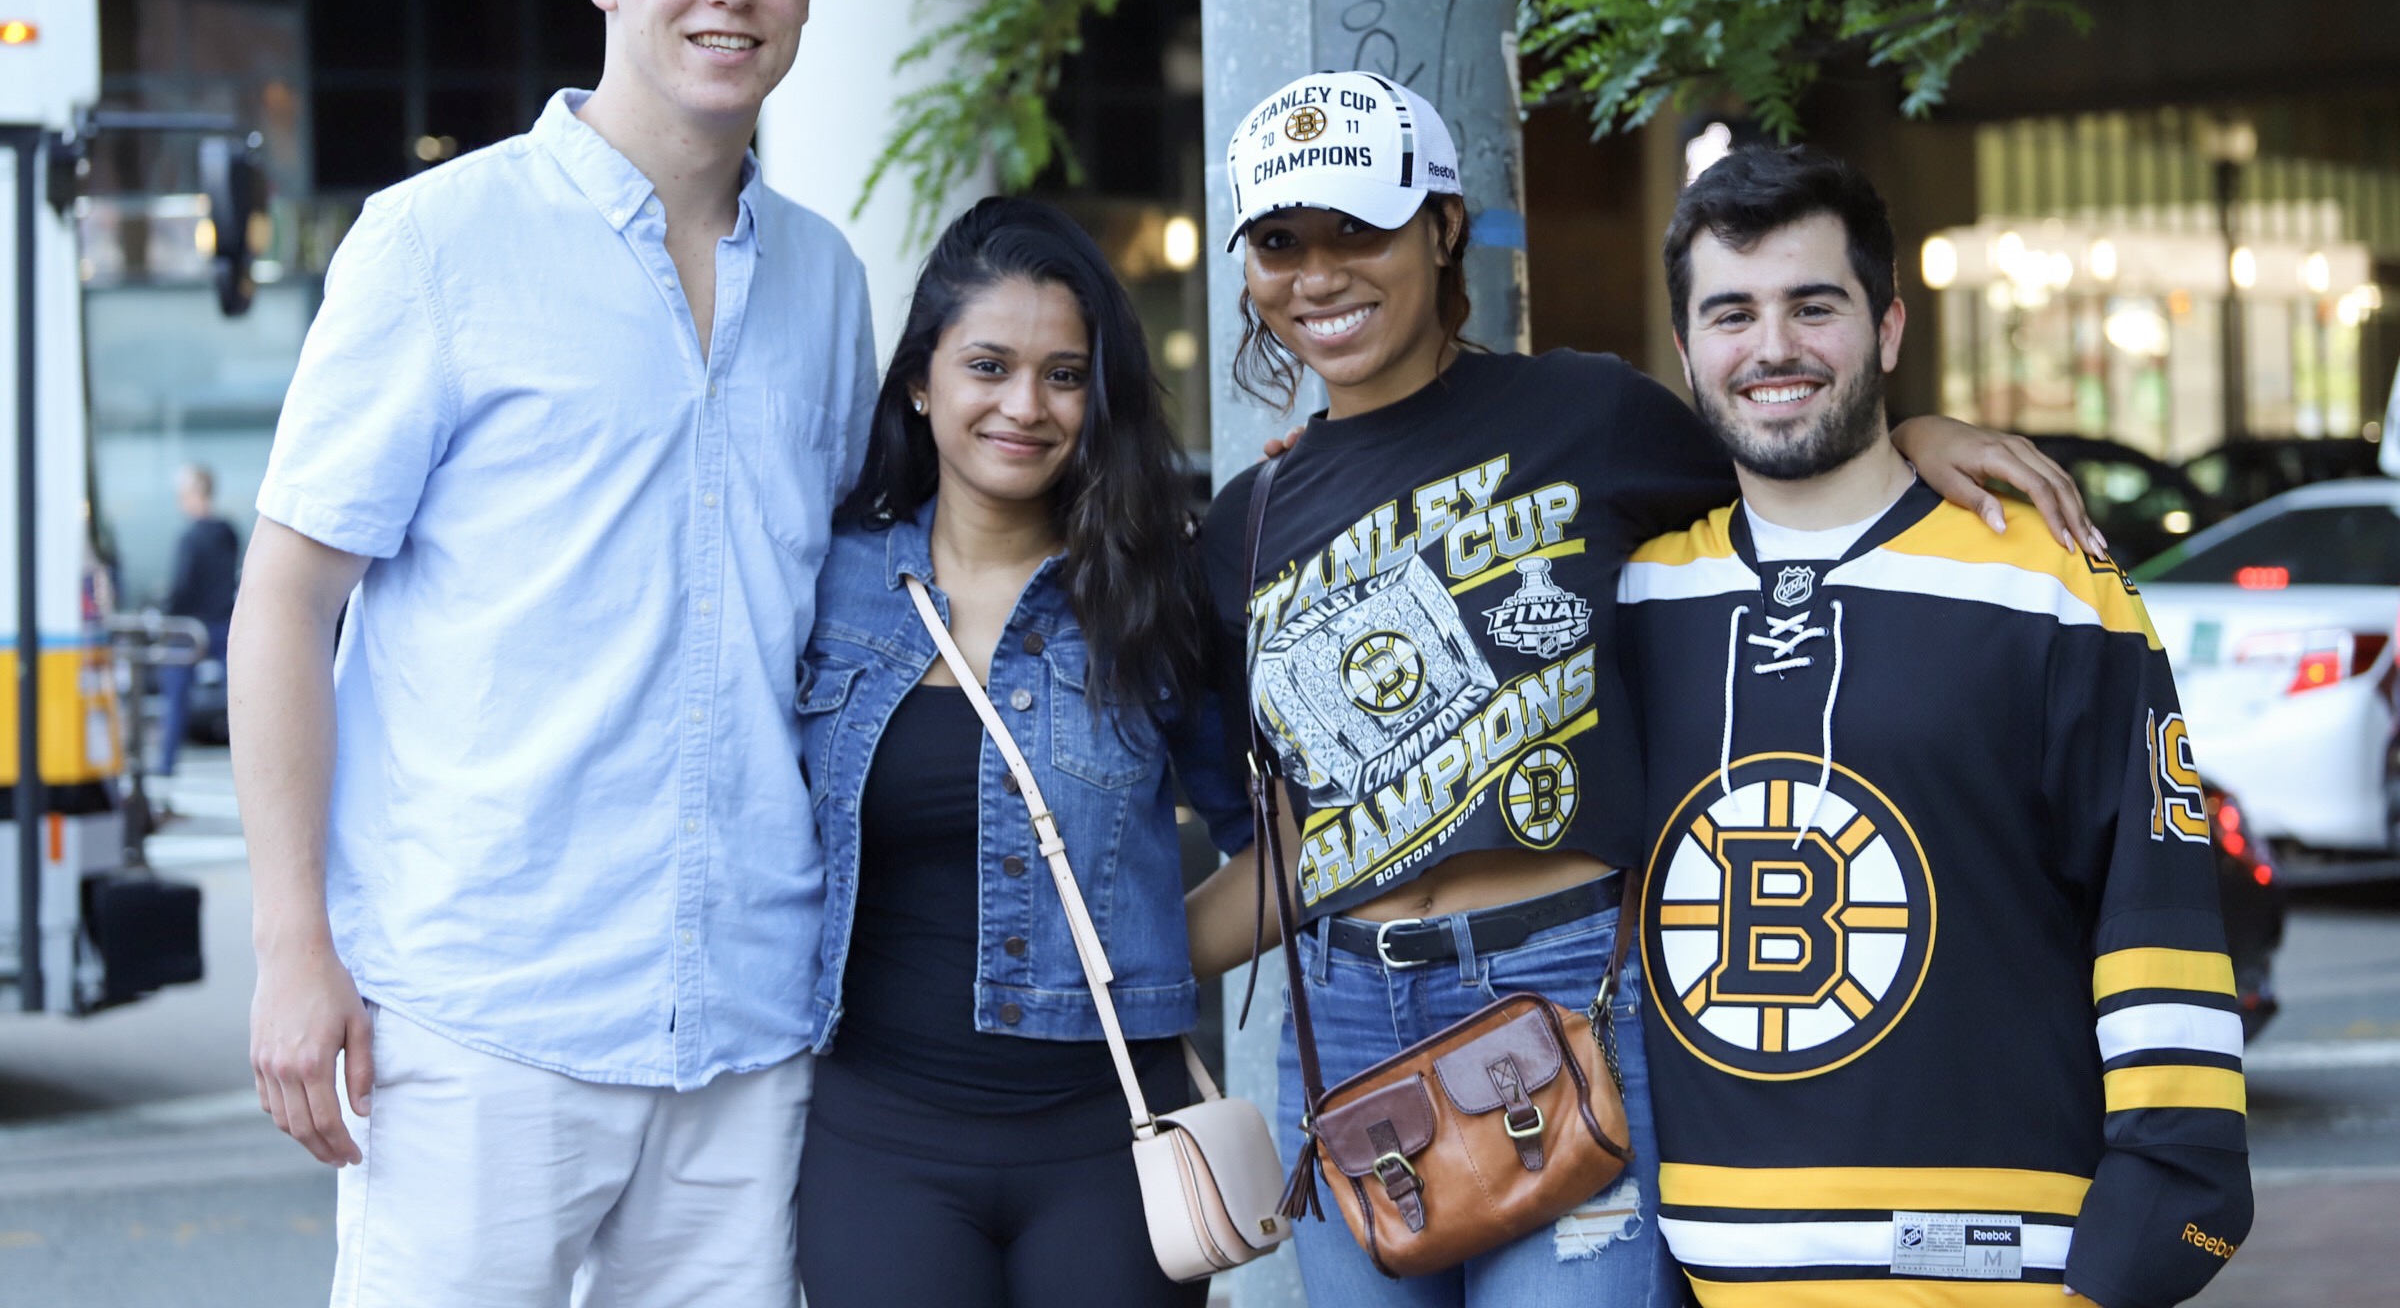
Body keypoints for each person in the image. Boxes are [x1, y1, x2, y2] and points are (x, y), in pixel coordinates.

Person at [1182, 70, 2101, 1308]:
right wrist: (1127, 963)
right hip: (1343, 1023)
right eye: (1282, 242)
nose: (1320, 273)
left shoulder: (1592, 415)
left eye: (1361, 230)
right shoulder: (1246, 526)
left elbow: (1795, 476)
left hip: (1563, 991)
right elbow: (1306, 826)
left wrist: (1915, 438)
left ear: (1443, 227)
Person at [229, 0, 875, 1307]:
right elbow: (284, 603)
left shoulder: (830, 284)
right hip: (478, 1011)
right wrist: (290, 948)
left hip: (749, 1022)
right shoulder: (436, 245)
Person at [1619, 146, 2250, 1307]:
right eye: (1733, 313)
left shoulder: (2049, 582)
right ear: (1687, 349)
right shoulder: (1633, 601)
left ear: (1890, 327)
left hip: (2006, 1273)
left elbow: (2152, 902)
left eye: (1817, 306)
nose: (1773, 349)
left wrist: (2143, 1245)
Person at [790, 197, 1250, 1307]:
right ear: (921, 379)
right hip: (878, 1137)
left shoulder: (1153, 590)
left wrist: (1133, 950)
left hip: (1112, 1140)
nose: (1024, 407)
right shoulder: (828, 575)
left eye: (1064, 375)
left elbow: (1278, 841)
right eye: (988, 365)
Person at [156, 462, 240, 775]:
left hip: (190, 626)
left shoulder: (190, 539)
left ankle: (166, 762)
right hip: (223, 622)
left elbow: (182, 587)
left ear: (194, 494)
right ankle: (248, 758)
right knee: (239, 692)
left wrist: (167, 610)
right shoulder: (227, 532)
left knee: (175, 692)